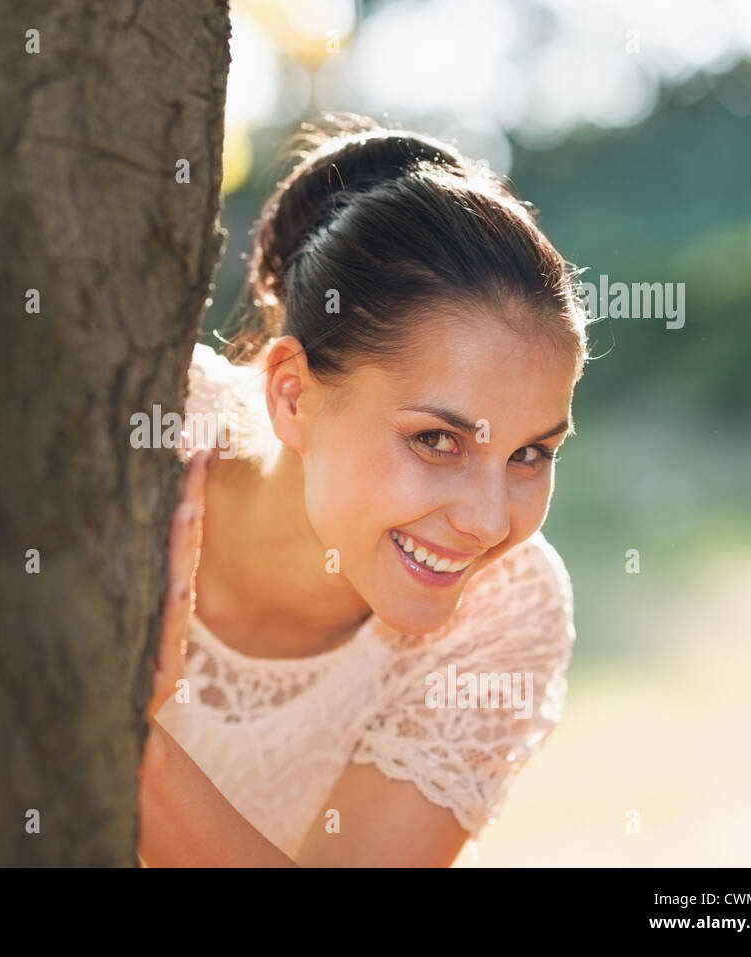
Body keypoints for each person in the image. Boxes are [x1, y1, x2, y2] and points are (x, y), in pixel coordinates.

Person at [137, 113, 592, 867]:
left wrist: (136, 735)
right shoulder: (146, 422)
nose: (486, 522)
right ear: (291, 395)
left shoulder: (508, 606)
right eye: (437, 440)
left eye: (530, 453)